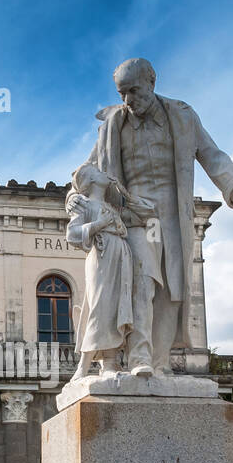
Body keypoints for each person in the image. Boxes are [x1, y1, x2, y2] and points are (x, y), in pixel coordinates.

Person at [87, 57, 233, 376]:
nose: (128, 100)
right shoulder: (113, 126)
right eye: (122, 94)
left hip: (173, 213)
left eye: (133, 91)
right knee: (144, 279)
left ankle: (158, 362)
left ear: (152, 82)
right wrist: (79, 196)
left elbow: (210, 153)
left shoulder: (182, 116)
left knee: (171, 288)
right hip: (136, 215)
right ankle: (139, 357)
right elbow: (89, 169)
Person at [65, 162, 145, 380]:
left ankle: (110, 362)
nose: (104, 173)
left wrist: (125, 193)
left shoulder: (113, 206)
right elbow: (72, 234)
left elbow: (143, 217)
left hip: (120, 254)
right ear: (90, 181)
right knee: (99, 307)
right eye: (97, 172)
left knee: (116, 307)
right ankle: (83, 366)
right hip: (101, 255)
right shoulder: (84, 204)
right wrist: (98, 224)